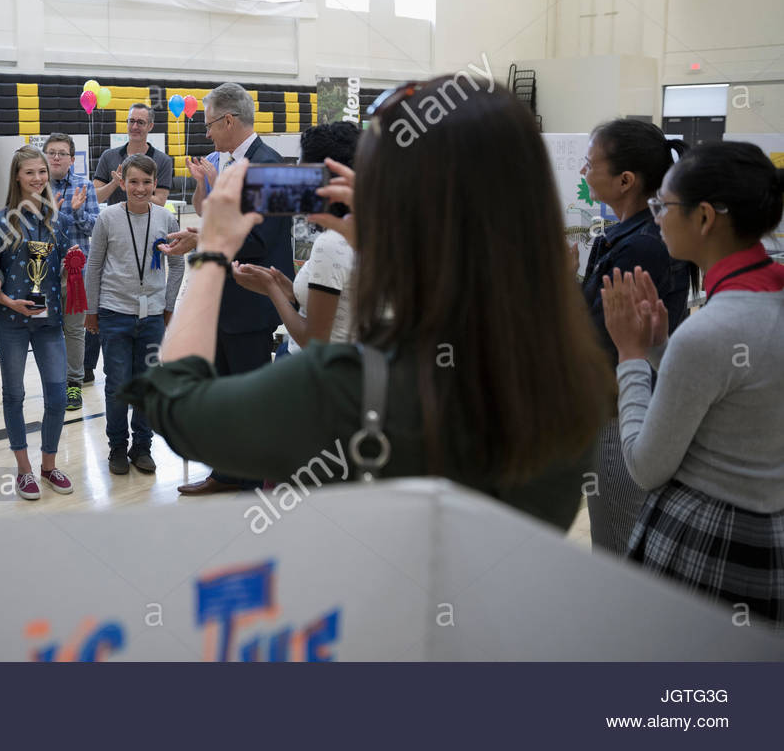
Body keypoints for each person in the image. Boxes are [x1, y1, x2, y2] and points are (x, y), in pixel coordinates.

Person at [125, 79, 615, 531]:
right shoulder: (575, 379)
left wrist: (211, 251)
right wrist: (391, 241)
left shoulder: (355, 389)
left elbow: (176, 404)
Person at [602, 142, 784, 626]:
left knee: (685, 695)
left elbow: (644, 467)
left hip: (711, 540)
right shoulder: (765, 297)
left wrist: (632, 357)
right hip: (770, 529)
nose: (657, 218)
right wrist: (663, 347)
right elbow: (737, 399)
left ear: (705, 218)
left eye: (664, 206)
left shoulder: (711, 331)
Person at [170, 82, 294, 496]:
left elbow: (262, 239)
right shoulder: (224, 163)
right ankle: (225, 474)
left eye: (208, 125)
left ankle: (254, 480)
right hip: (222, 297)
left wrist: (204, 238)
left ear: (228, 120)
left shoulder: (272, 165)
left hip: (251, 302)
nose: (206, 133)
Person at [580, 119, 692, 554]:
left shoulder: (640, 246)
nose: (583, 174)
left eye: (590, 165)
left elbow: (603, 340)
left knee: (620, 545)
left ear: (625, 180)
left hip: (625, 408)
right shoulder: (627, 237)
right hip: (623, 402)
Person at [0, 146, 85, 500]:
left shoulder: (60, 219)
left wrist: (73, 264)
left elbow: (66, 264)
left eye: (42, 172)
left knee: (57, 397)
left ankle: (48, 465)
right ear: (17, 177)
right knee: (15, 395)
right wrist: (6, 296)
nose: (38, 178)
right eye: (30, 173)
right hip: (11, 321)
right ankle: (24, 470)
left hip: (50, 322)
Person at [84, 154, 184, 475]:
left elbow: (178, 263)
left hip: (153, 316)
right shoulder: (108, 218)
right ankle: (117, 446)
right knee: (117, 385)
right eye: (133, 182)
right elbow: (94, 265)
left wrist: (168, 305)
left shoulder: (166, 219)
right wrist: (91, 308)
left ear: (155, 184)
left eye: (146, 182)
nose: (139, 189)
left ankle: (142, 445)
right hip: (115, 314)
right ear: (122, 183)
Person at [233, 122, 360, 352]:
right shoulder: (368, 231)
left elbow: (313, 341)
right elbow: (338, 302)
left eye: (302, 166)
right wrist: (289, 290)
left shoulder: (331, 243)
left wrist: (271, 288)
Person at [43, 133, 99, 410]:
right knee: (48, 330)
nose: (56, 157)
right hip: (43, 272)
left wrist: (77, 213)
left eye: (61, 153)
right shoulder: (36, 186)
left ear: (71, 159)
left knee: (75, 331)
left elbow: (96, 229)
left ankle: (74, 385)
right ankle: (54, 383)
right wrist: (48, 214)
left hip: (77, 274)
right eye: (51, 152)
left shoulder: (84, 186)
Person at [93, 102, 174, 206]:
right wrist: (115, 183)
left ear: (150, 126)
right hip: (115, 221)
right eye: (131, 121)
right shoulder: (108, 156)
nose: (135, 126)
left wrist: (131, 187)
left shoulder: (163, 161)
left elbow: (160, 202)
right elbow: (94, 198)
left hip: (148, 221)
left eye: (140, 122)